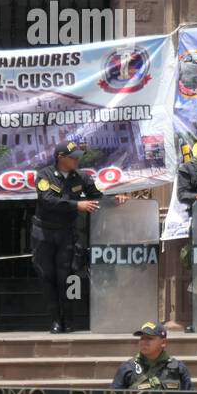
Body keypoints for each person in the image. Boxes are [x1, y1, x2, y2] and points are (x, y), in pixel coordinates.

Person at [30, 139, 123, 334]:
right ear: (61, 158)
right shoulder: (44, 175)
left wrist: (115, 200)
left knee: (68, 277)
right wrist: (76, 205)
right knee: (47, 277)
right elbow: (47, 201)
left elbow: (97, 197)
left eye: (78, 157)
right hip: (43, 234)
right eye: (73, 158)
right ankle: (55, 320)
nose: (76, 161)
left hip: (66, 233)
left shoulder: (82, 177)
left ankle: (69, 320)